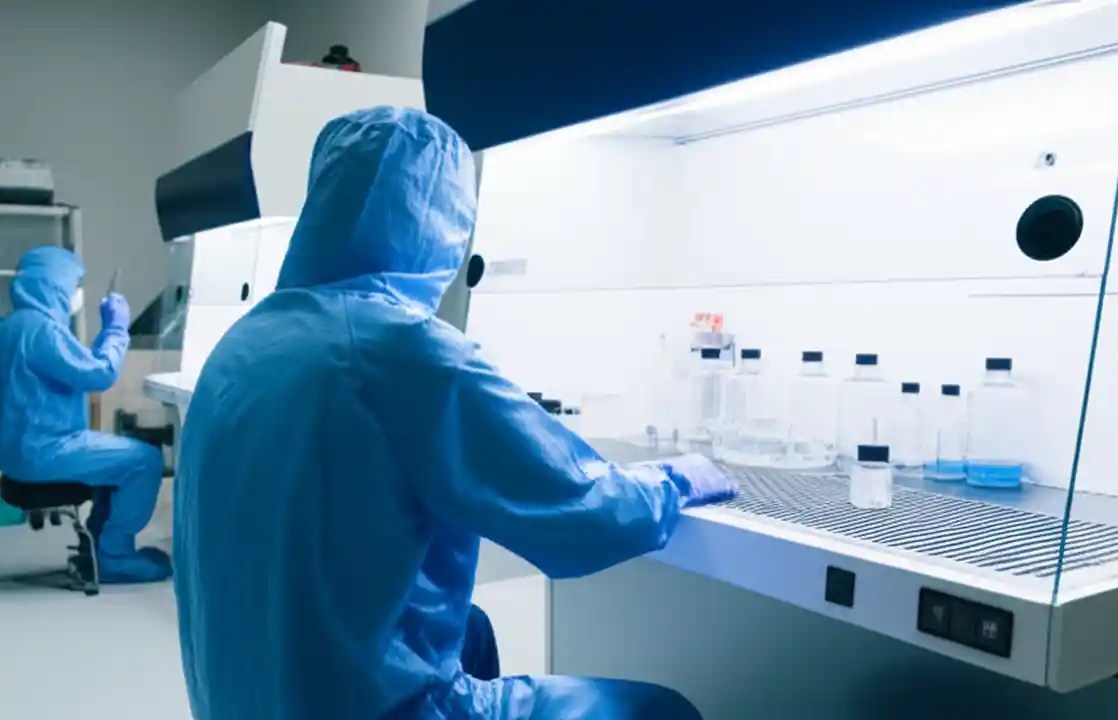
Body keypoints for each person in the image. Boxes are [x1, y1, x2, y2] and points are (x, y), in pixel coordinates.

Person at [174, 106, 737, 720]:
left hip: (248, 696)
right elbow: (584, 517)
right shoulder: (398, 348)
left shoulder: (243, 343)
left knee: (472, 629)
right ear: (440, 217)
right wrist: (676, 481)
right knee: (659, 710)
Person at [0, 247, 170, 583]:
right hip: (47, 451)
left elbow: (74, 367)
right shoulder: (42, 330)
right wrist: (117, 329)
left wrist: (105, 337)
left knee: (118, 454)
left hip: (20, 453)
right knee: (145, 460)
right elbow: (100, 374)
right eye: (73, 284)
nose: (76, 293)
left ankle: (99, 540)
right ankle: (114, 556)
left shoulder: (13, 326)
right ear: (55, 285)